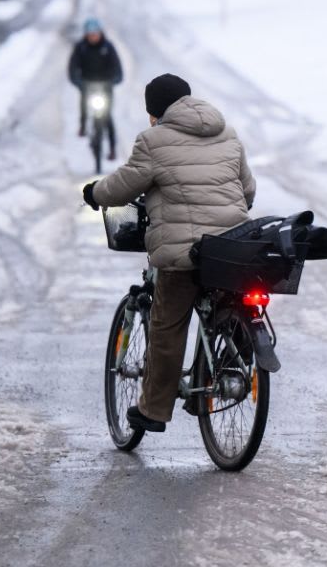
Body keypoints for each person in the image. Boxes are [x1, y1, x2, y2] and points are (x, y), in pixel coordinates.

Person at [82, 74, 256, 433]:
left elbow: (123, 185)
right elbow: (248, 190)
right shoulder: (227, 132)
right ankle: (223, 374)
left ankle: (154, 410)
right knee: (229, 300)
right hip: (232, 248)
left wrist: (94, 193)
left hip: (184, 253)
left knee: (167, 325)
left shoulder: (153, 140)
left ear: (154, 113)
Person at [68, 17, 123, 161]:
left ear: (100, 33)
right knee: (84, 106)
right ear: (86, 34)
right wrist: (77, 82)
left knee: (108, 117)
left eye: (95, 34)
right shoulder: (80, 48)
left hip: (105, 86)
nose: (93, 37)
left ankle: (112, 149)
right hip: (87, 85)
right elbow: (73, 68)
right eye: (90, 34)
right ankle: (83, 126)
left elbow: (118, 68)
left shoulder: (108, 47)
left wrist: (115, 79)